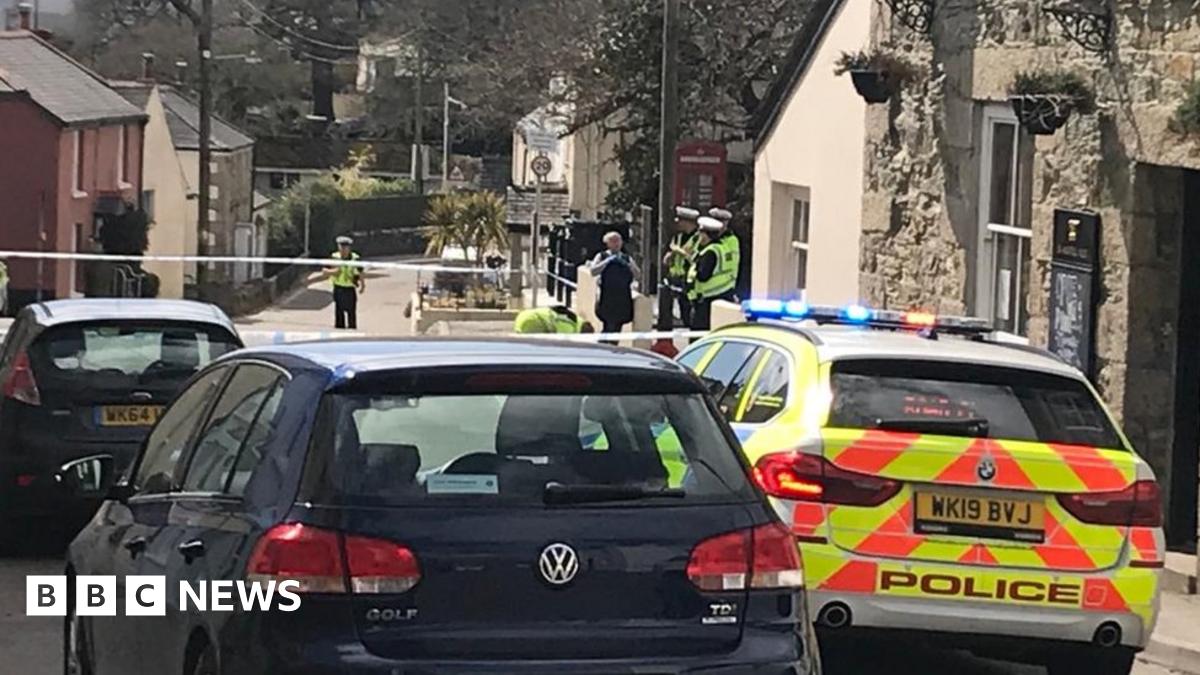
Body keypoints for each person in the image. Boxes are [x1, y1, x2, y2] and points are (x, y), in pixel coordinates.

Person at [688, 216, 741, 332]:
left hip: (707, 299)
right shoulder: (722, 247)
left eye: (701, 233)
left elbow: (703, 276)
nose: (699, 236)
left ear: (706, 235)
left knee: (699, 333)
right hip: (723, 294)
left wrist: (694, 272)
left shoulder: (710, 252)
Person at [588, 231, 641, 341]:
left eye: (618, 241)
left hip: (623, 297)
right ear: (607, 243)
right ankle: (604, 345)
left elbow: (638, 275)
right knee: (608, 326)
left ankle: (612, 345)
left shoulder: (627, 258)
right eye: (613, 241)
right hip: (607, 297)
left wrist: (629, 265)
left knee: (618, 327)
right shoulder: (601, 256)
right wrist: (607, 261)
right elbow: (593, 271)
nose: (616, 243)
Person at [662, 206, 702, 328]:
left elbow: (695, 258)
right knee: (681, 313)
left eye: (679, 220)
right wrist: (669, 256)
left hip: (690, 280)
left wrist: (679, 251)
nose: (677, 223)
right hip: (675, 279)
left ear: (687, 222)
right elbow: (667, 258)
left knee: (691, 315)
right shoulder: (677, 237)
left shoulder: (698, 238)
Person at [325, 236, 365, 330]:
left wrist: (363, 285)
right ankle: (340, 331)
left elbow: (361, 272)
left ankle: (352, 332)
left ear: (349, 248)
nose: (343, 250)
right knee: (339, 312)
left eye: (345, 247)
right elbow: (324, 270)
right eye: (341, 247)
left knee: (351, 313)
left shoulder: (355, 258)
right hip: (338, 288)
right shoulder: (334, 257)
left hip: (350, 289)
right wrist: (334, 272)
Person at [513, 305, 595, 334]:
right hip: (532, 322)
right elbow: (561, 344)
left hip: (525, 316)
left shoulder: (573, 318)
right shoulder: (570, 328)